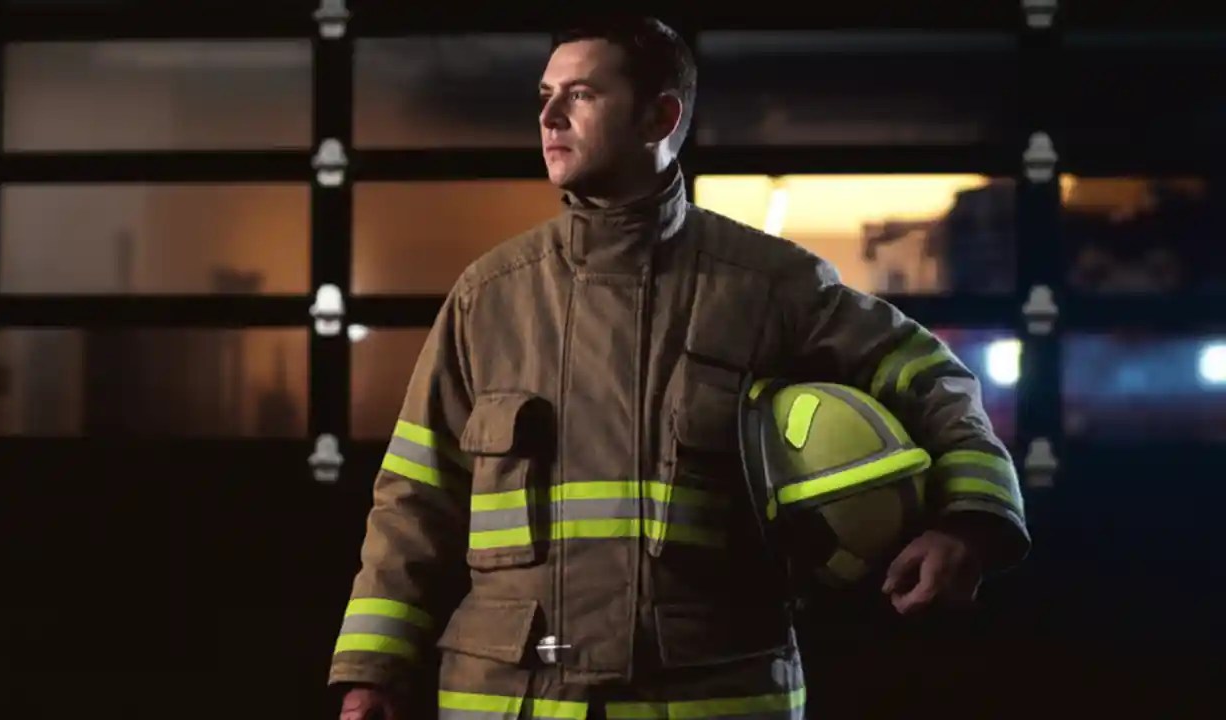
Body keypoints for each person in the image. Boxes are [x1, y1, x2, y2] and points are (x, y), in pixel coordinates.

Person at [330, 15, 1030, 720]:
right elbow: (414, 501)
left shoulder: (769, 286)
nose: (548, 115)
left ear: (659, 116)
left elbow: (936, 381)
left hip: (710, 698)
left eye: (581, 95)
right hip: (512, 700)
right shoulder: (489, 298)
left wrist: (970, 522)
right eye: (545, 94)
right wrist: (373, 672)